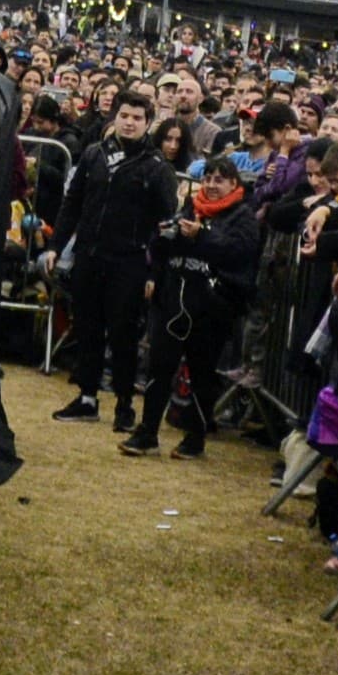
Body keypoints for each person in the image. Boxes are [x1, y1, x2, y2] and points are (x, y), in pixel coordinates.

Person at [49, 93, 175, 429]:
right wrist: (54, 246)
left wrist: (154, 271)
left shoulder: (157, 167)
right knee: (87, 327)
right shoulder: (94, 154)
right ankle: (87, 397)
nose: (129, 122)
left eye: (137, 117)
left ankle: (124, 404)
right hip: (89, 256)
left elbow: (166, 226)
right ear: (115, 117)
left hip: (130, 262)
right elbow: (72, 204)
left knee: (123, 335)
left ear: (148, 124)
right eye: (124, 115)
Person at [126, 150, 257, 459]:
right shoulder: (189, 208)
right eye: (208, 179)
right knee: (160, 367)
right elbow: (159, 248)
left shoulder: (244, 217)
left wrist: (203, 236)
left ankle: (195, 438)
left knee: (202, 374)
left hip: (213, 309)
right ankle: (147, 433)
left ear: (234, 184)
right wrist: (164, 239)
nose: (211, 185)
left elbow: (239, 253)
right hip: (174, 301)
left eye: (220, 180)